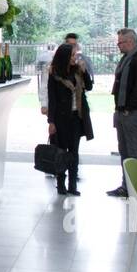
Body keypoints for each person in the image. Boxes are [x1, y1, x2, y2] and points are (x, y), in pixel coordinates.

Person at [107, 27, 137, 197]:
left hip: (132, 113)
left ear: (131, 41)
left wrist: (127, 109)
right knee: (124, 151)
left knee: (134, 152)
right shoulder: (125, 59)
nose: (118, 45)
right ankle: (126, 186)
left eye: (121, 42)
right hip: (121, 111)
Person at [46, 42, 94, 196]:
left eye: (75, 55)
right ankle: (61, 184)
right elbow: (52, 99)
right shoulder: (54, 74)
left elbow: (89, 87)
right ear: (65, 57)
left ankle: (73, 185)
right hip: (60, 119)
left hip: (76, 117)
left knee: (74, 152)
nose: (75, 58)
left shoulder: (78, 71)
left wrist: (85, 72)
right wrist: (51, 122)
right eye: (72, 55)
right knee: (60, 151)